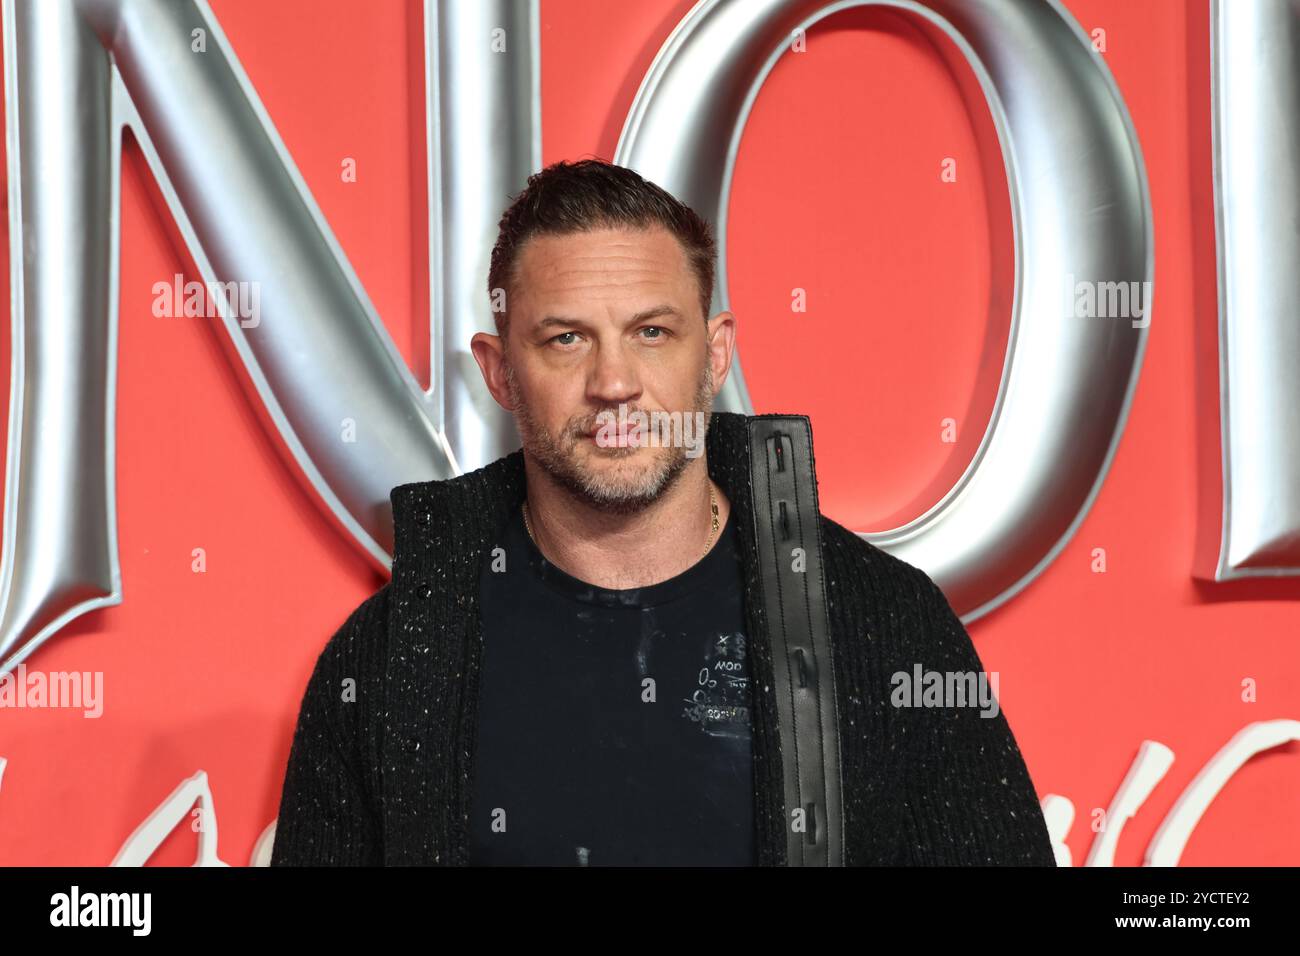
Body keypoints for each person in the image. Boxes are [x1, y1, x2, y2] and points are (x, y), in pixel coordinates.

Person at [270, 158, 1055, 866]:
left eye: (651, 333)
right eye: (567, 339)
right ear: (499, 371)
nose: (615, 383)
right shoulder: (386, 661)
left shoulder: (883, 623)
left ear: (713, 356)